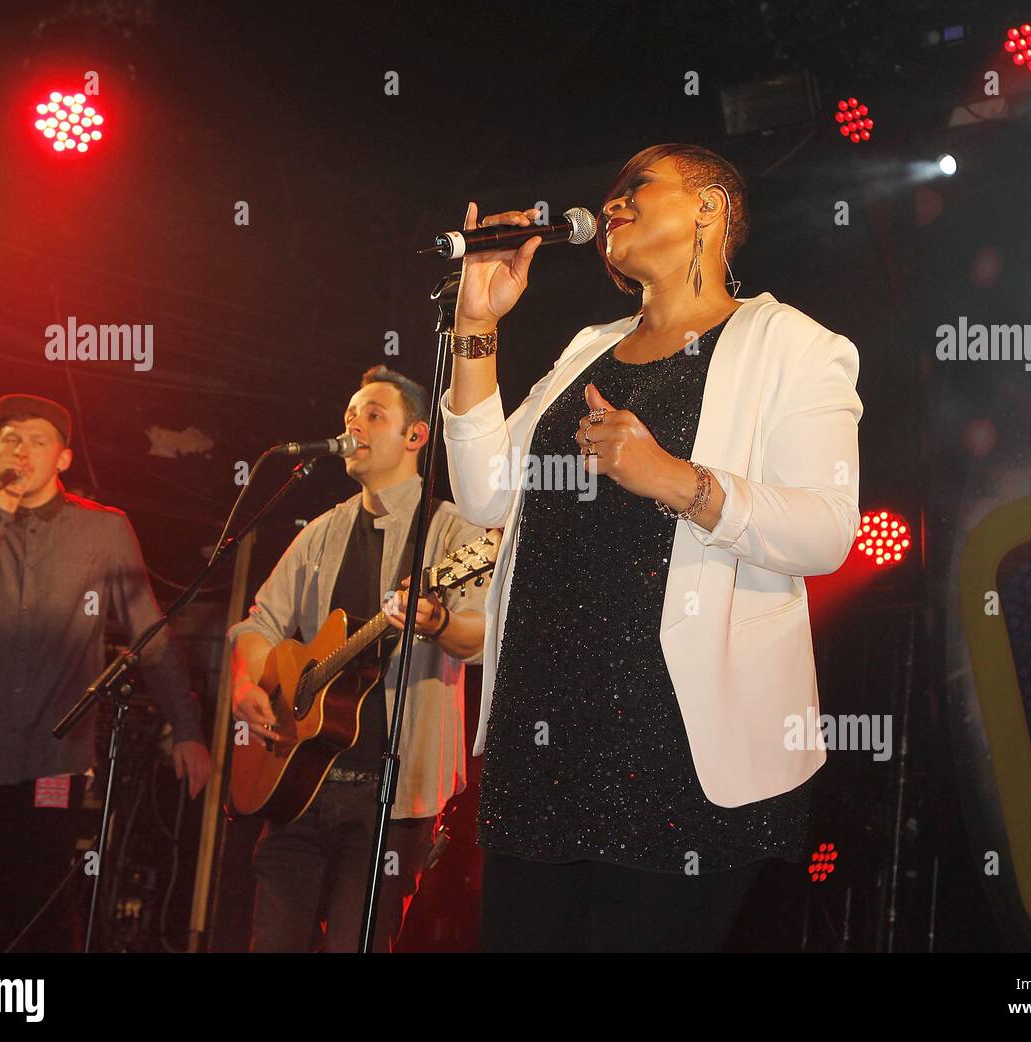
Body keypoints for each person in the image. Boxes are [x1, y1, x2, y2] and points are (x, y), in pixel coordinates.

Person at [439, 143, 865, 952]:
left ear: (709, 207)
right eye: (611, 196)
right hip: (544, 733)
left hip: (673, 747)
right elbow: (484, 490)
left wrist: (672, 478)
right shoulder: (587, 349)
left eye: (637, 188)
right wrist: (476, 324)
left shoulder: (791, 345)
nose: (613, 207)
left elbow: (826, 529)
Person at [0, 393, 212, 952]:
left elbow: (149, 633)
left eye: (37, 439)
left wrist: (186, 728)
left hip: (48, 758)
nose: (22, 449)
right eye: (12, 438)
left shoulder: (103, 531)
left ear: (63, 459)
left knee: (41, 909)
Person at [228, 365, 490, 952]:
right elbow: (258, 621)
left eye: (374, 415)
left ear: (416, 436)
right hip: (297, 786)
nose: (355, 425)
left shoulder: (452, 533)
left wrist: (440, 621)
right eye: (351, 415)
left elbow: (483, 636)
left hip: (392, 799)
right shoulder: (321, 532)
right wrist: (248, 683)